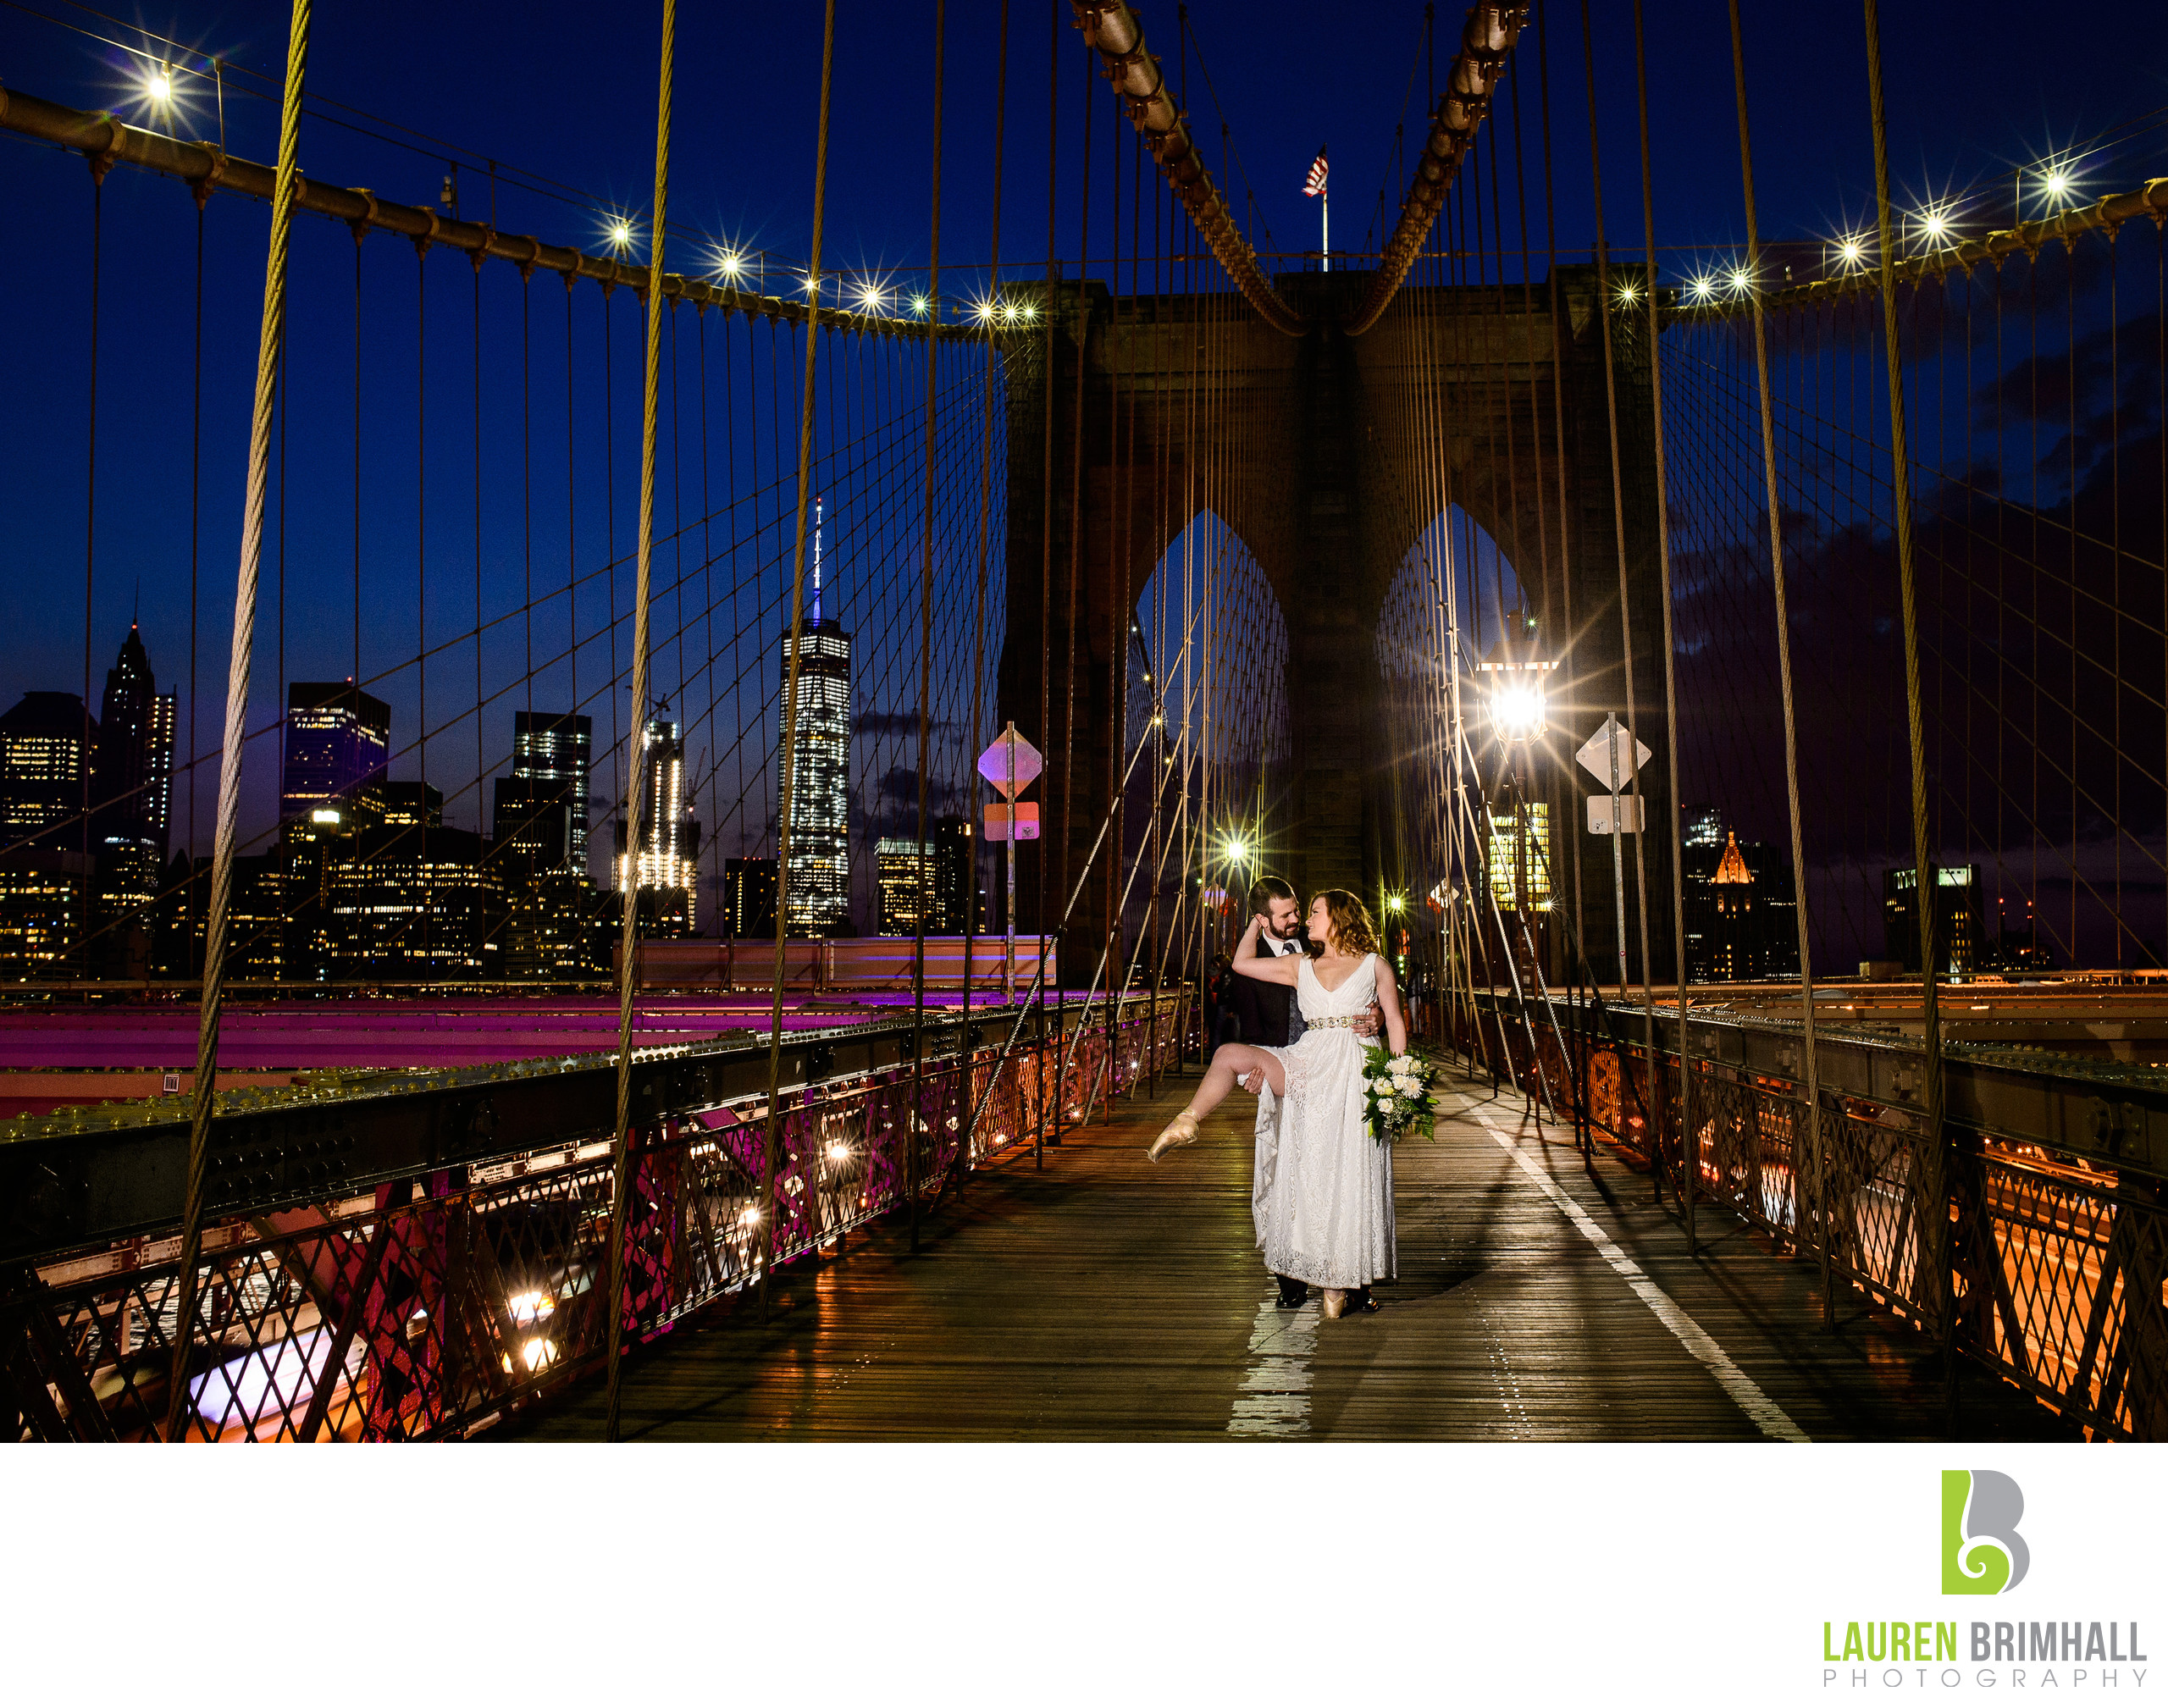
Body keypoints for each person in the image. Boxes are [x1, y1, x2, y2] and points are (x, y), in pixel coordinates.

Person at [1148, 888, 1407, 1320]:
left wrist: (1398, 1083)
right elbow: (1241, 963)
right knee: (1228, 1054)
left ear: (1339, 918)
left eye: (1315, 911)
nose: (1307, 919)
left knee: (1347, 1172)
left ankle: (1341, 1281)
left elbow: (1394, 1022)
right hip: (1307, 1058)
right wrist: (1256, 922)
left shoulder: (1374, 965)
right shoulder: (1299, 964)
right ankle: (1188, 1119)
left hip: (1354, 1069)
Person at [1225, 873, 1380, 1309]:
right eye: (1285, 914)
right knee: (1285, 1174)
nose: (1295, 919)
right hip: (1286, 1074)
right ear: (1262, 919)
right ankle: (1291, 1279)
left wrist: (1379, 1017)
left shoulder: (1321, 947)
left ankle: (1352, 1280)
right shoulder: (1251, 963)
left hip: (1338, 1076)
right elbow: (1248, 1031)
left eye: (1298, 909)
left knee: (1344, 1168)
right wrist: (1250, 1075)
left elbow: (1368, 989)